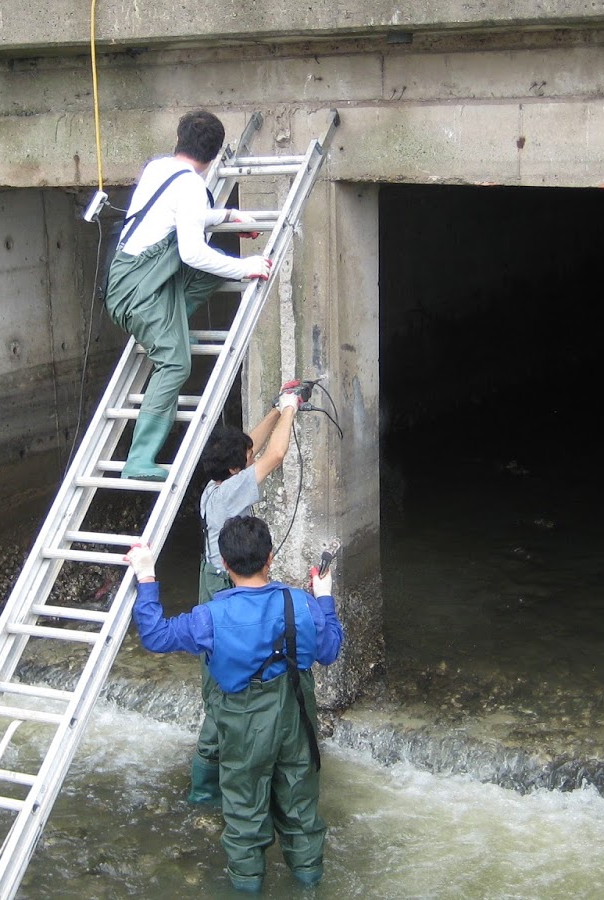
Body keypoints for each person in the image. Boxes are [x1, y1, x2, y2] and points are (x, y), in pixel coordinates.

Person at [127, 516, 343, 892]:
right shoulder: (302, 603)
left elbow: (156, 636)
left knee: (244, 812)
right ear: (270, 558)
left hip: (242, 724)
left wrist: (146, 576)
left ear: (225, 565)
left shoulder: (210, 617)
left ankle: (247, 886)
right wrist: (324, 596)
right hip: (296, 717)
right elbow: (329, 650)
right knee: (300, 808)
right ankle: (310, 885)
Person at [104, 109, 272, 481]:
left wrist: (225, 217)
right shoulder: (193, 187)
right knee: (176, 362)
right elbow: (192, 252)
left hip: (137, 277)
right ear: (213, 156)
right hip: (139, 292)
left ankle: (171, 324)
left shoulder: (158, 168)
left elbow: (179, 216)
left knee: (212, 269)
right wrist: (249, 268)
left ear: (179, 141)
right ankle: (139, 458)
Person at [185, 387, 300, 805]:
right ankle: (204, 786)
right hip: (222, 586)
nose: (251, 457)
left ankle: (208, 782)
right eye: (244, 459)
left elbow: (249, 447)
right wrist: (290, 412)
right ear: (236, 470)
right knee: (220, 684)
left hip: (210, 577)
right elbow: (273, 456)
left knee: (218, 673)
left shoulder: (217, 483)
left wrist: (273, 410)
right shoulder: (232, 492)